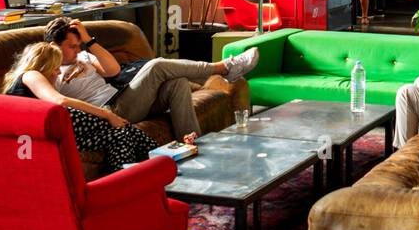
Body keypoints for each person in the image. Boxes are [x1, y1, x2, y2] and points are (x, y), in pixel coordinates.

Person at [42, 17, 259, 141]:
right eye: (71, 46)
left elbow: (112, 70)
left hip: (124, 99)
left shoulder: (84, 55)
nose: (76, 49)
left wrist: (89, 42)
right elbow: (54, 103)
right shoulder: (48, 73)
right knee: (156, 66)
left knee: (177, 84)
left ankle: (193, 143)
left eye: (77, 44)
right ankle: (221, 68)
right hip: (108, 111)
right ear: (54, 47)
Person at [0, 41, 158, 174]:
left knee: (121, 133)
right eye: (56, 67)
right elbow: (60, 101)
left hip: (53, 132)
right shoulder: (31, 74)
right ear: (44, 65)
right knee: (118, 125)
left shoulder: (32, 80)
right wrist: (107, 114)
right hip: (40, 130)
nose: (57, 72)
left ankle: (126, 177)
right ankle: (161, 161)